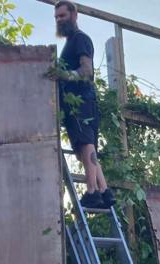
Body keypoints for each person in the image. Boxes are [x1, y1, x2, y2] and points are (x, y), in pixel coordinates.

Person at [47, 0, 114, 210]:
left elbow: (87, 71)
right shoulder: (71, 42)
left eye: (63, 16)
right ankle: (105, 191)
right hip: (76, 105)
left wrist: (64, 75)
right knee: (86, 147)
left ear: (74, 15)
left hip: (83, 102)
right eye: (57, 17)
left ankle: (92, 192)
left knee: (86, 144)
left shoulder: (80, 39)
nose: (59, 20)